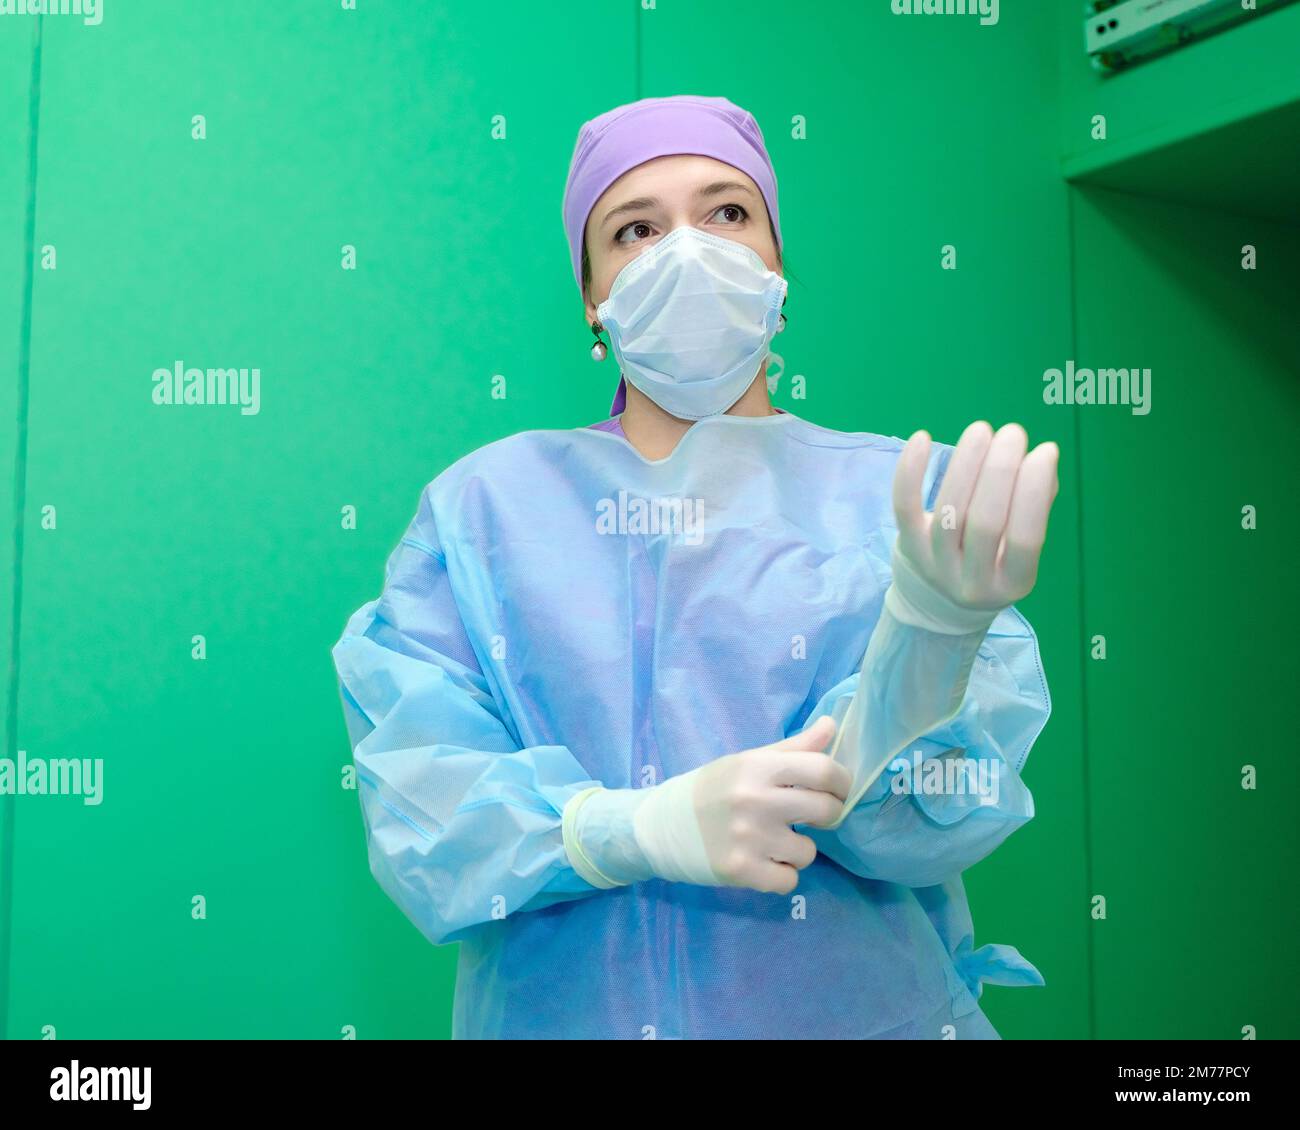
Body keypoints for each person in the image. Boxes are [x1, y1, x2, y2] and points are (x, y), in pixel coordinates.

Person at [331, 94, 1060, 1040]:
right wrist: (627, 830)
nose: (688, 251)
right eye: (635, 229)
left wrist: (931, 640)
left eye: (726, 213)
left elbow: (928, 828)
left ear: (777, 263)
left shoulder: (905, 502)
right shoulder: (485, 512)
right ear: (592, 297)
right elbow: (423, 811)